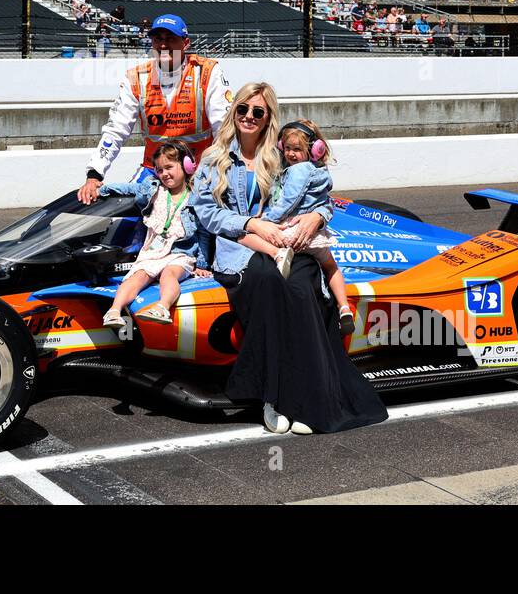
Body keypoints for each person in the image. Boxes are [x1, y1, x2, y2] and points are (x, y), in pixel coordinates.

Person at [191, 81, 388, 436]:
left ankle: (309, 399)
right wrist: (251, 223)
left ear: (268, 118)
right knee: (268, 282)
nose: (249, 117)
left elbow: (320, 196)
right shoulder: (212, 159)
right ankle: (274, 397)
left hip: (291, 243)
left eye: (258, 112)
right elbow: (206, 214)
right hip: (239, 248)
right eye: (242, 109)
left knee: (299, 288)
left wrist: (318, 217)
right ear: (233, 112)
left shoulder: (283, 155)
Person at [77, 13, 230, 203]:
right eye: (158, 39)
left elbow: (224, 128)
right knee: (126, 220)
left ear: (186, 43)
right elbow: (116, 130)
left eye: (171, 39)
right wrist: (95, 173)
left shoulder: (206, 71)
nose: (163, 45)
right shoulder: (137, 77)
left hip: (199, 170)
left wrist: (222, 172)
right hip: (155, 170)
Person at [237, 120, 355, 335]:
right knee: (330, 266)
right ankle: (344, 306)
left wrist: (265, 221)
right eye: (288, 148)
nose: (291, 154)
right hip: (314, 237)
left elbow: (288, 202)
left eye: (297, 149)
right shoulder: (317, 169)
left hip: (291, 230)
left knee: (242, 235)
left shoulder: (300, 170)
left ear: (314, 150)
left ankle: (278, 254)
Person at [93, 142, 212, 327]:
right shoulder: (153, 188)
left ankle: (162, 307)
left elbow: (204, 233)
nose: (164, 174)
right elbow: (128, 188)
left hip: (180, 252)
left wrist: (202, 264)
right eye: (159, 169)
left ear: (187, 165)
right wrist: (102, 189)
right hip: (152, 250)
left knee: (168, 275)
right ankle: (114, 311)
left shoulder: (196, 197)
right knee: (137, 277)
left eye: (169, 167)